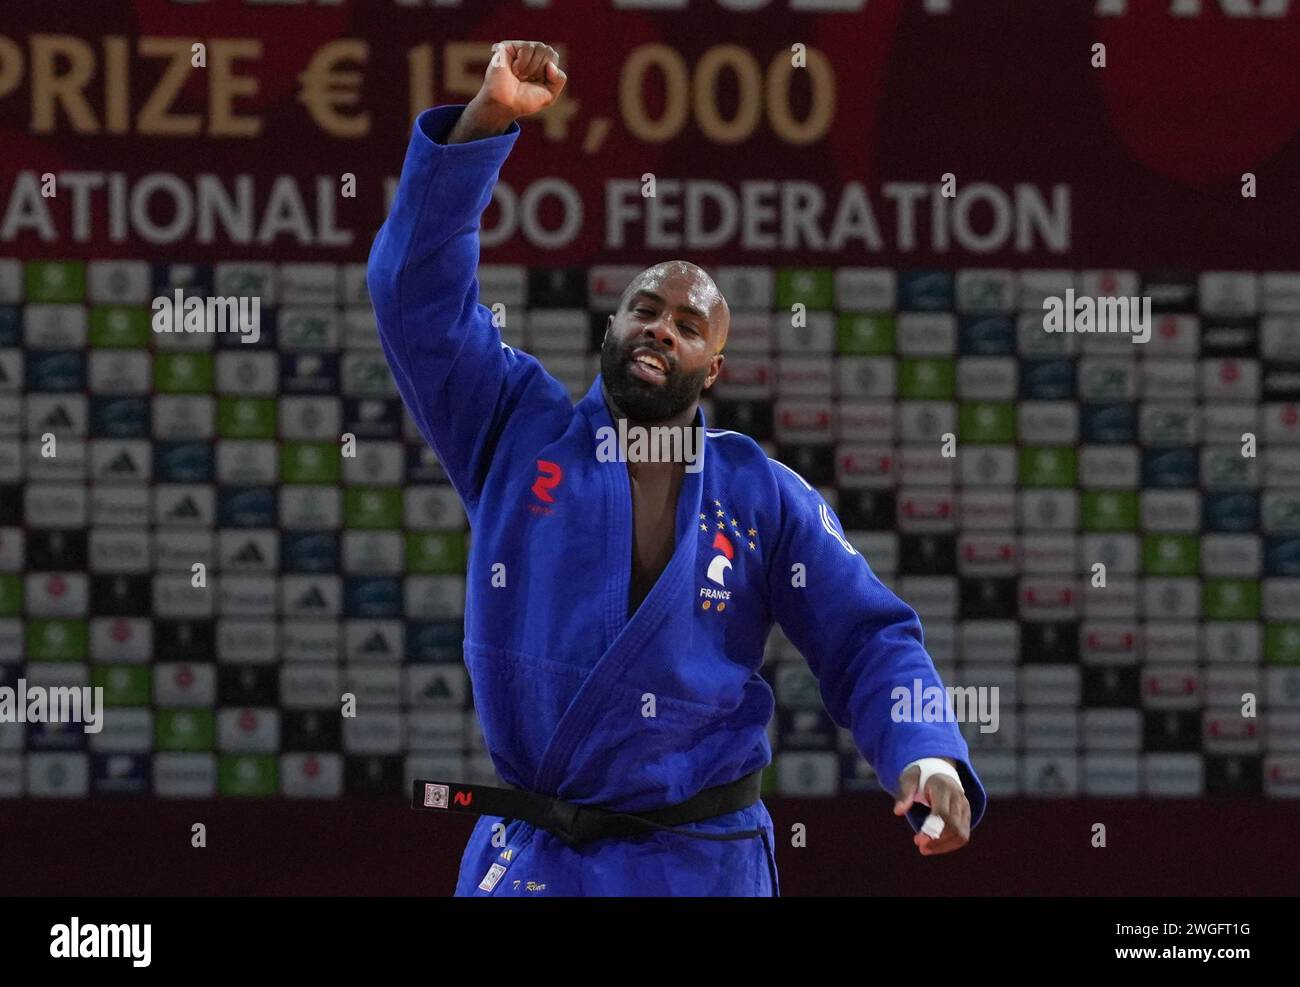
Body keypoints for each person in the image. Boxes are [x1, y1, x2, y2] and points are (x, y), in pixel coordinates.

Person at [369, 40, 985, 896]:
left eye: (689, 326)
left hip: (700, 863)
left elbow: (868, 636)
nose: (661, 328)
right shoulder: (514, 428)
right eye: (644, 311)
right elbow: (416, 300)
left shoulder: (760, 494)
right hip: (538, 856)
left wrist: (926, 752)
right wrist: (486, 122)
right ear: (611, 331)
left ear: (713, 368)